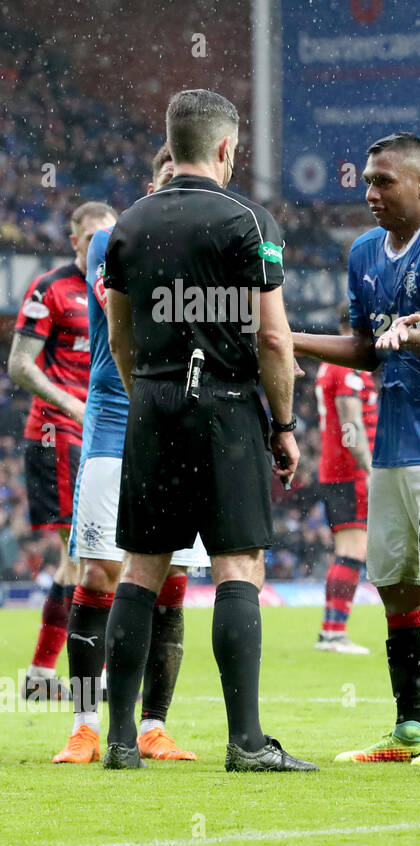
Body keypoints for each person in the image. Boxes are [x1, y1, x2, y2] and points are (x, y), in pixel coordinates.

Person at [101, 88, 312, 771]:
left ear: (174, 141)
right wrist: (283, 425)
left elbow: (118, 335)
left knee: (140, 569)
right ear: (226, 148)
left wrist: (150, 399)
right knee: (237, 566)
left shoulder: (127, 225)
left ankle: (122, 740)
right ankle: (246, 742)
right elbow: (276, 341)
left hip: (153, 407)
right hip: (225, 408)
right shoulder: (250, 221)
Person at [292, 132, 420, 767]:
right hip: (393, 450)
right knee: (396, 585)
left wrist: (410, 339)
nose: (371, 193)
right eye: (367, 183)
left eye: (384, 181)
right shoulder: (362, 254)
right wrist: (290, 338)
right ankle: (411, 729)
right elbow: (362, 349)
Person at [55, 143, 210, 764]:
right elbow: (148, 320)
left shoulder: (207, 247)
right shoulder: (109, 241)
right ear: (150, 186)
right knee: (99, 573)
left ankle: (152, 725)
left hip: (183, 435)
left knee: (171, 580)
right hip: (117, 429)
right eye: (167, 178)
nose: (176, 190)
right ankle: (86, 724)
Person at [9, 201, 115, 701]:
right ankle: (66, 681)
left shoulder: (119, 288)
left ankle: (43, 676)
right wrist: (75, 406)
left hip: (100, 435)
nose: (97, 244)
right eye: (89, 236)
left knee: (85, 558)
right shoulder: (50, 288)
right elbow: (20, 366)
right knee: (81, 558)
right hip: (58, 435)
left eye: (105, 236)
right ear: (74, 240)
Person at [312, 304, 377, 654]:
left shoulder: (328, 364)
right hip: (348, 473)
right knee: (353, 549)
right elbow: (350, 425)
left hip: (335, 471)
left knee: (351, 549)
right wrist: (368, 469)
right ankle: (333, 633)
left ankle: (332, 630)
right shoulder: (346, 364)